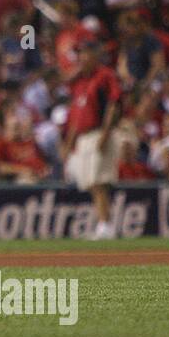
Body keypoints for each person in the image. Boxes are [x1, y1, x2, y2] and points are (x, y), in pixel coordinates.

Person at [62, 39, 123, 239]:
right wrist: (69, 144)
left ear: (96, 56)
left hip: (98, 133)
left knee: (99, 182)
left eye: (86, 53)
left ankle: (106, 225)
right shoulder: (80, 82)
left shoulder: (104, 75)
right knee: (90, 183)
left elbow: (113, 104)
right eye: (80, 54)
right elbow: (75, 117)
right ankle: (104, 224)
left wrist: (105, 134)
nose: (82, 57)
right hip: (83, 137)